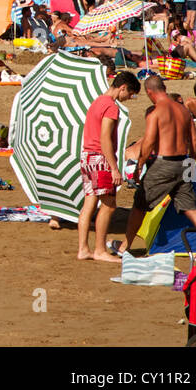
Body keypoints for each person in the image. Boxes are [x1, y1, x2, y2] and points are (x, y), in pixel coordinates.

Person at [122, 74, 196, 261]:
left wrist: (140, 165)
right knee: (189, 206)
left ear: (150, 92)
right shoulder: (183, 110)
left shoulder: (156, 112)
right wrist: (190, 165)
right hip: (184, 161)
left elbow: (149, 143)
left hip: (164, 163)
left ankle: (124, 247)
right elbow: (195, 141)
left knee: (140, 203)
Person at [76, 71, 140, 262]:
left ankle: (83, 249)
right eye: (129, 94)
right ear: (123, 87)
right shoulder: (111, 107)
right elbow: (105, 138)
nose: (128, 98)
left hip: (87, 156)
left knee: (89, 203)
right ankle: (100, 250)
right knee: (109, 204)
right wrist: (114, 168)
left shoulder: (97, 102)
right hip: (99, 158)